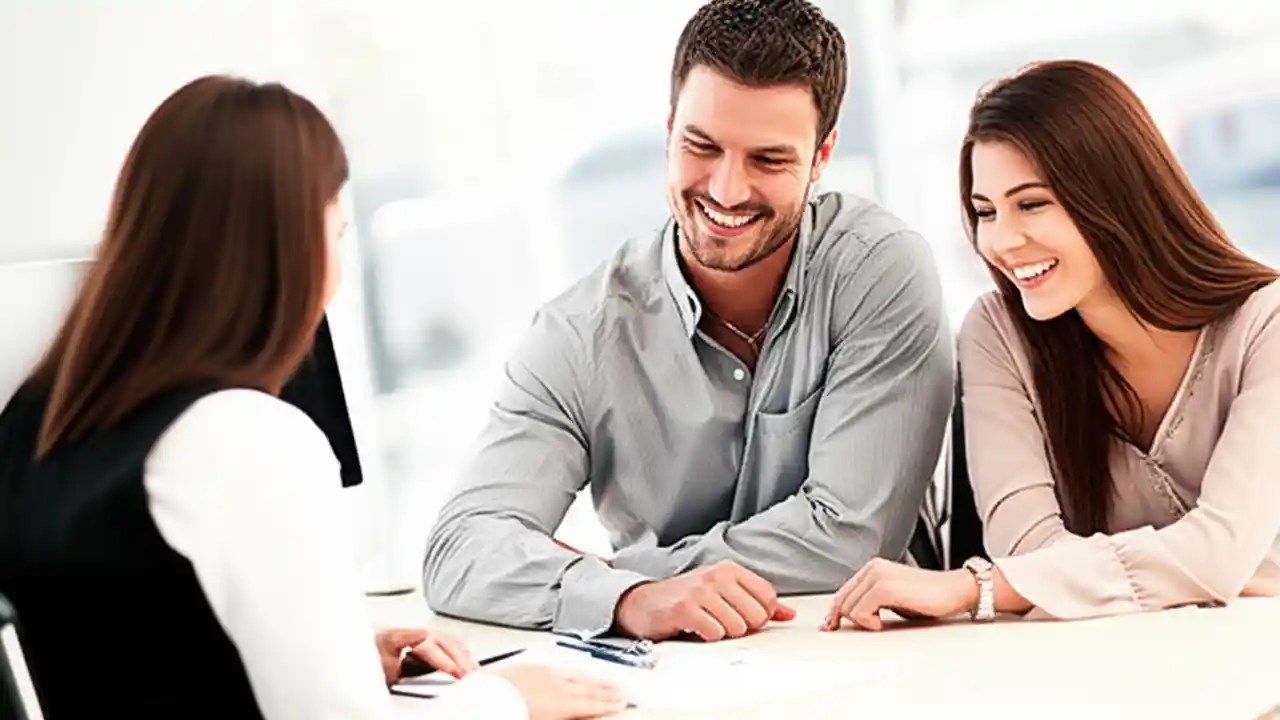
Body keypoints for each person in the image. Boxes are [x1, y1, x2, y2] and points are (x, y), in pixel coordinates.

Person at [0, 75, 623, 719]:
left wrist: (341, 657)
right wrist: (508, 700)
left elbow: (131, 654)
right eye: (338, 230)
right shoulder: (244, 438)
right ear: (290, 250)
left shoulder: (34, 419)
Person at [424, 0, 953, 643]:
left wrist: (624, 578)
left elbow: (846, 539)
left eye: (769, 160)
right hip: (675, 680)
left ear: (822, 156)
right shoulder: (581, 333)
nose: (727, 191)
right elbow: (460, 549)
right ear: (670, 127)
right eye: (701, 147)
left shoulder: (879, 272)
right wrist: (633, 599)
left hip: (886, 662)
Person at [822, 59, 1280, 632]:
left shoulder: (1268, 325)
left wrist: (978, 586)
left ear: (1116, 195)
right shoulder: (998, 335)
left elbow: (1220, 551)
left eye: (1031, 204)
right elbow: (1028, 547)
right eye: (985, 212)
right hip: (1118, 668)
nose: (1002, 242)